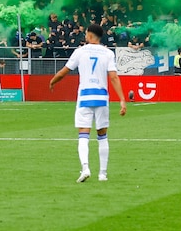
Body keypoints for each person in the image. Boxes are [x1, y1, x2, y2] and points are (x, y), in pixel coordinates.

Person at [49, 23, 127, 183]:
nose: (85, 36)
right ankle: (102, 174)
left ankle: (85, 168)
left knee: (83, 135)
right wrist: (122, 99)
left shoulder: (80, 52)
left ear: (90, 35)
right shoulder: (107, 53)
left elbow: (64, 72)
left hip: (85, 98)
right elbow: (113, 77)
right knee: (102, 136)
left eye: (86, 33)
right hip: (101, 98)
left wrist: (53, 81)